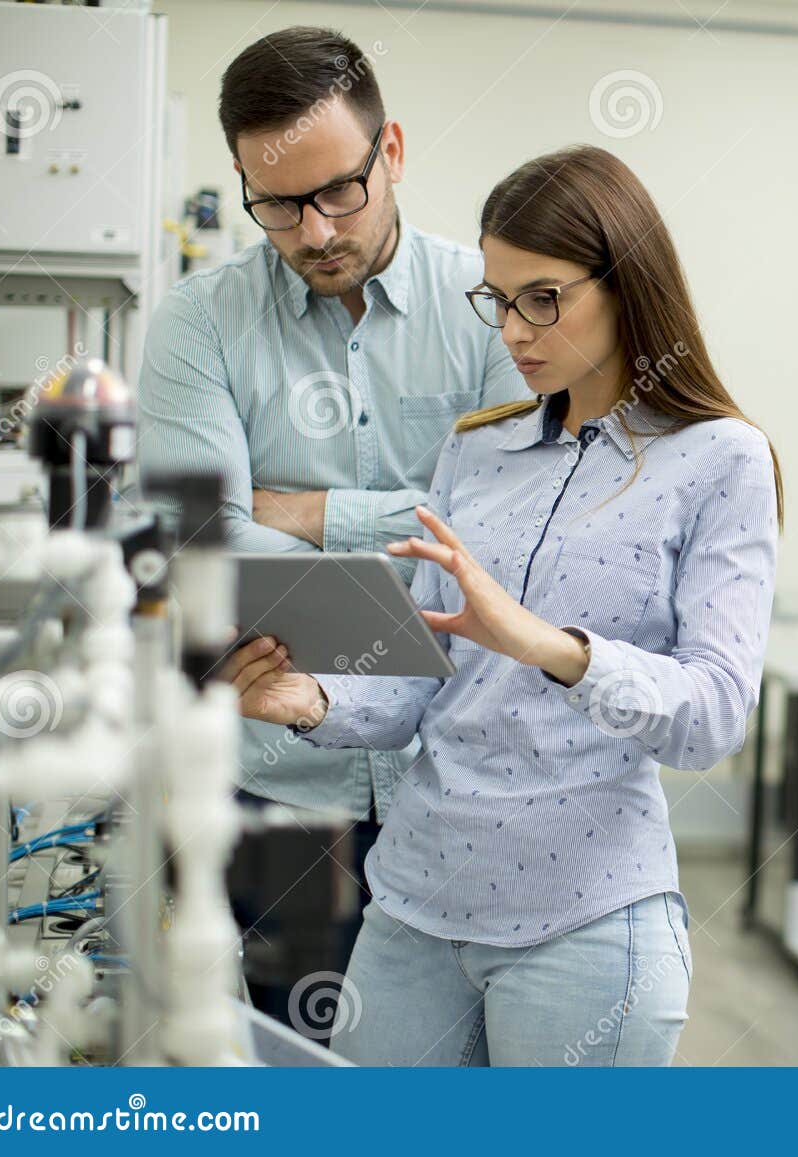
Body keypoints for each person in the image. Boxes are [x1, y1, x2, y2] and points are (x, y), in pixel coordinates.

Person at [222, 144, 782, 1065]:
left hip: (585, 920)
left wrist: (550, 645)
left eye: (543, 298)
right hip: (413, 901)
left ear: (628, 281)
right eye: (497, 298)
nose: (513, 331)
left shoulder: (721, 460)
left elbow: (711, 719)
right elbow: (421, 685)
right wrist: (310, 700)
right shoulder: (475, 452)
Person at [136, 27, 528, 1005]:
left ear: (389, 152)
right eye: (275, 203)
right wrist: (420, 549)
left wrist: (317, 514)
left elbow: (513, 542)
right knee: (282, 1065)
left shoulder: (493, 308)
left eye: (338, 192)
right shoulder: (199, 323)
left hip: (458, 781)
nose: (313, 231)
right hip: (273, 782)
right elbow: (200, 543)